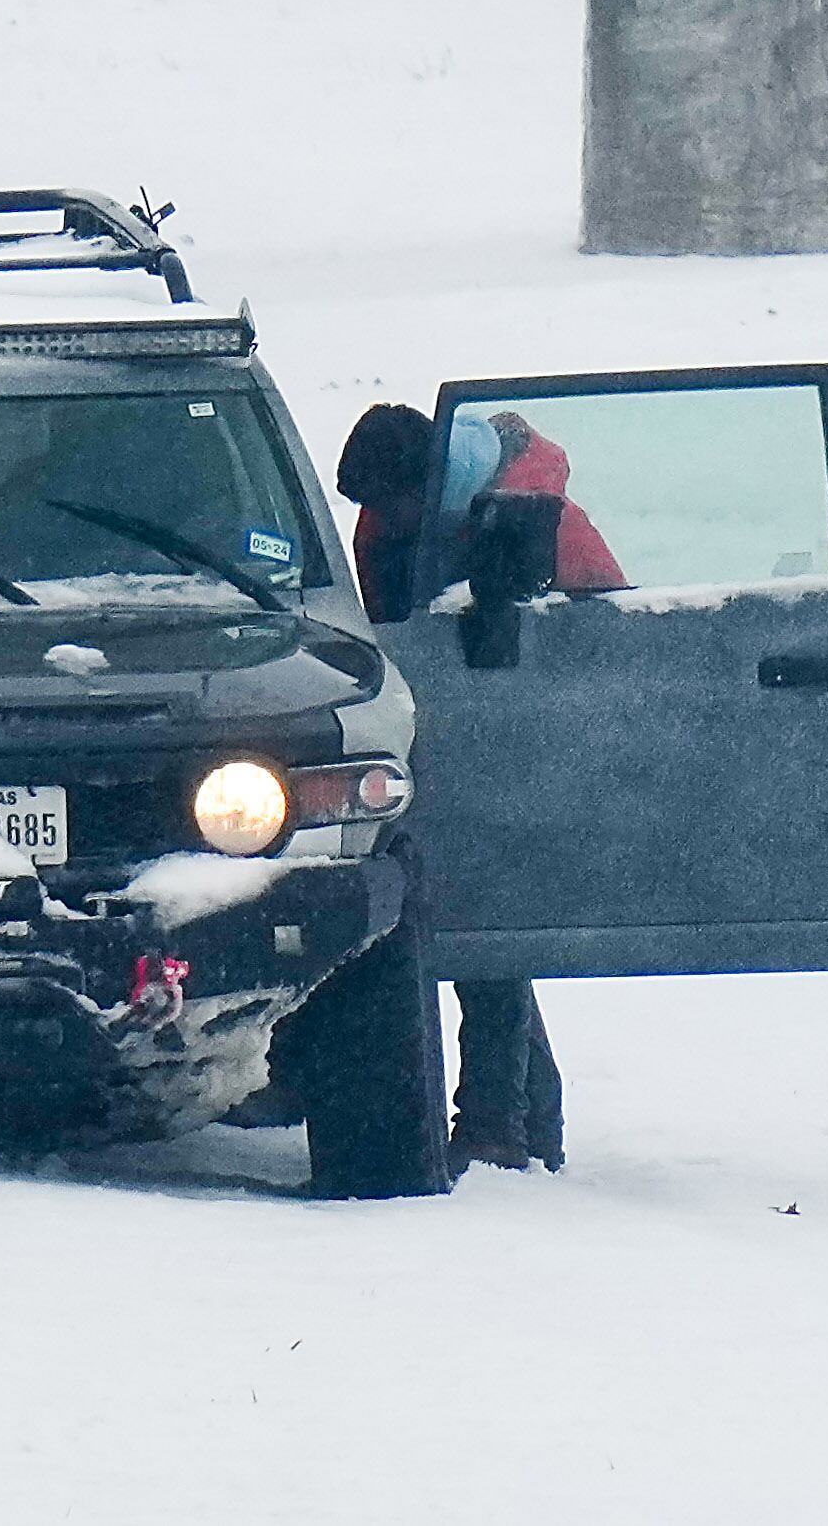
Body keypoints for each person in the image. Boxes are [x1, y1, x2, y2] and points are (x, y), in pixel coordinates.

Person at [335, 403, 569, 1174]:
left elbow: (599, 631)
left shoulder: (537, 515)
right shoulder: (390, 520)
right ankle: (527, 1123)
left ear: (427, 484)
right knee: (475, 926)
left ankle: (497, 1125)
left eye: (389, 502)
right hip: (439, 732)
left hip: (526, 738)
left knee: (485, 920)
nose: (380, 518)